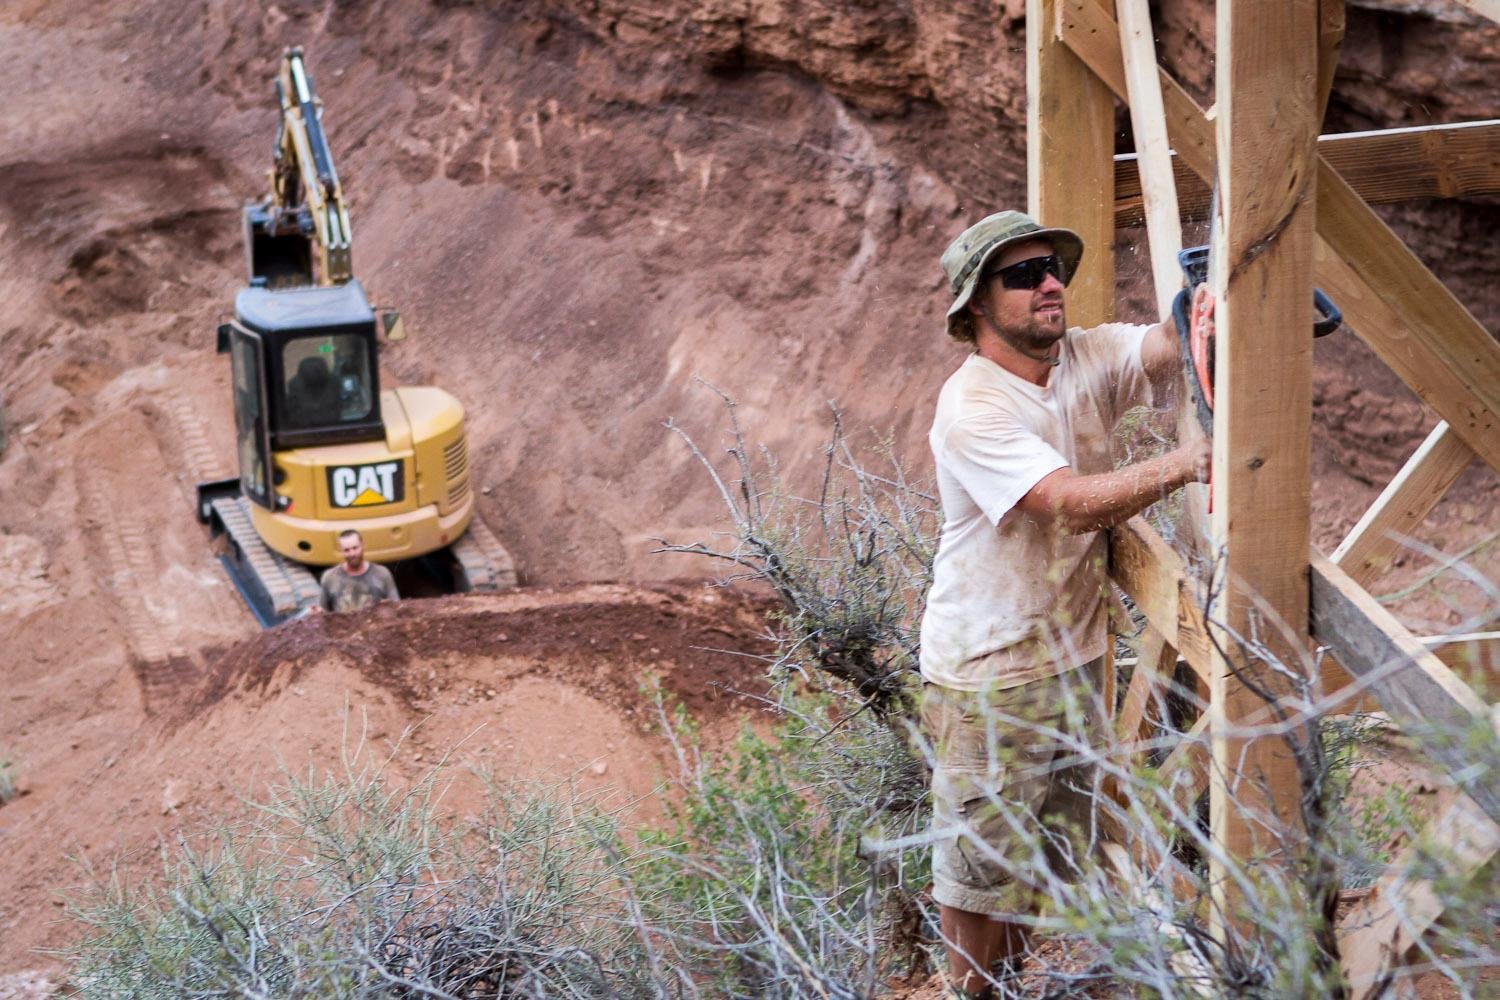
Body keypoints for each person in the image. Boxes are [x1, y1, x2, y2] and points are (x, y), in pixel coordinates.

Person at [920, 211, 1210, 998]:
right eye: (1024, 275)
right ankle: (973, 992)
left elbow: (1162, 345)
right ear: (978, 304)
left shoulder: (1082, 356)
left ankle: (1008, 986)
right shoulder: (973, 407)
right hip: (992, 673)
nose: (1050, 284)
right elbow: (1067, 504)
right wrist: (1186, 464)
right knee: (981, 870)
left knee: (1040, 861)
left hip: (1074, 657)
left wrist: (1206, 303)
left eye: (1053, 267)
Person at [318, 528, 400, 612]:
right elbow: (322, 613)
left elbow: (397, 608)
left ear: (363, 545)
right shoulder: (330, 578)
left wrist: (388, 607)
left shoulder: (382, 574)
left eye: (355, 548)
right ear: (341, 551)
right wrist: (316, 612)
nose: (352, 554)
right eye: (347, 550)